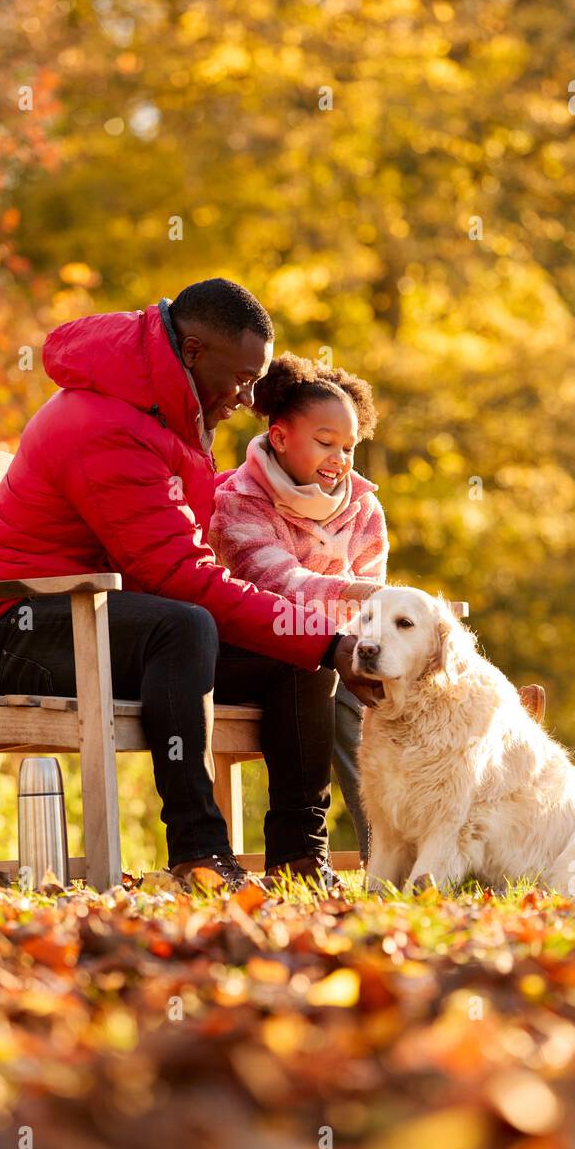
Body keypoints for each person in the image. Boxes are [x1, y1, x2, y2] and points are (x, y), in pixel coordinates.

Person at [0, 279, 379, 892]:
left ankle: (298, 858)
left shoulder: (164, 411)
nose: (248, 398)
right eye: (241, 379)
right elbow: (179, 577)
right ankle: (200, 853)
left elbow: (179, 572)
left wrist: (317, 643)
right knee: (192, 625)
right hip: (23, 635)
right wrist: (325, 639)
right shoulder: (104, 424)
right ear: (191, 351)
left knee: (297, 655)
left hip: (104, 622)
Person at [210, 353, 387, 861]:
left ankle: (447, 838)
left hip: (338, 648)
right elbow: (276, 582)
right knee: (354, 695)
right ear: (282, 437)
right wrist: (355, 603)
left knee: (397, 688)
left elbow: (372, 593)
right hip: (257, 652)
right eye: (326, 443)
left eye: (349, 447)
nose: (339, 459)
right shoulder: (239, 500)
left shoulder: (362, 506)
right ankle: (381, 855)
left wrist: (367, 626)